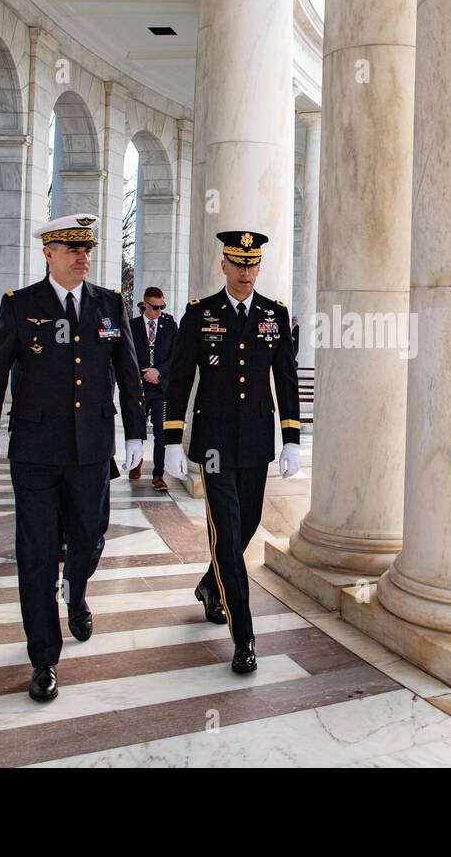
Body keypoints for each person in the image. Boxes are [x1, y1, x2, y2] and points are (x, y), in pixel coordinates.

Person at [0, 214, 146, 702]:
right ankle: (43, 657)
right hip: (35, 453)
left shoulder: (110, 305)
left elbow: (128, 373)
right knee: (37, 555)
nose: (83, 257)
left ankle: (79, 590)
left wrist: (136, 433)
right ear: (48, 253)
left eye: (87, 249)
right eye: (72, 249)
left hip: (91, 450)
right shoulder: (21, 305)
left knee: (89, 538)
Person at [162, 230, 300, 673]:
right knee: (225, 530)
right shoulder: (200, 314)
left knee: (249, 523)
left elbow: (287, 378)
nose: (245, 272)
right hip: (216, 442)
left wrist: (291, 436)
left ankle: (209, 585)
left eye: (252, 264)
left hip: (257, 440)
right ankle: (244, 637)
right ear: (223, 265)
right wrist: (169, 439)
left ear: (259, 267)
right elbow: (180, 377)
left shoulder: (273, 314)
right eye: (238, 264)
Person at [128, 286, 177, 488]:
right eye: (155, 307)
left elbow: (176, 353)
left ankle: (158, 475)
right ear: (145, 305)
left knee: (161, 433)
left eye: (162, 306)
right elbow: (126, 354)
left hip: (160, 387)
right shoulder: (131, 325)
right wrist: (143, 373)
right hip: (139, 387)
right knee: (137, 430)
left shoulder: (170, 324)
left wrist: (159, 372)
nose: (159, 311)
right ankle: (136, 462)